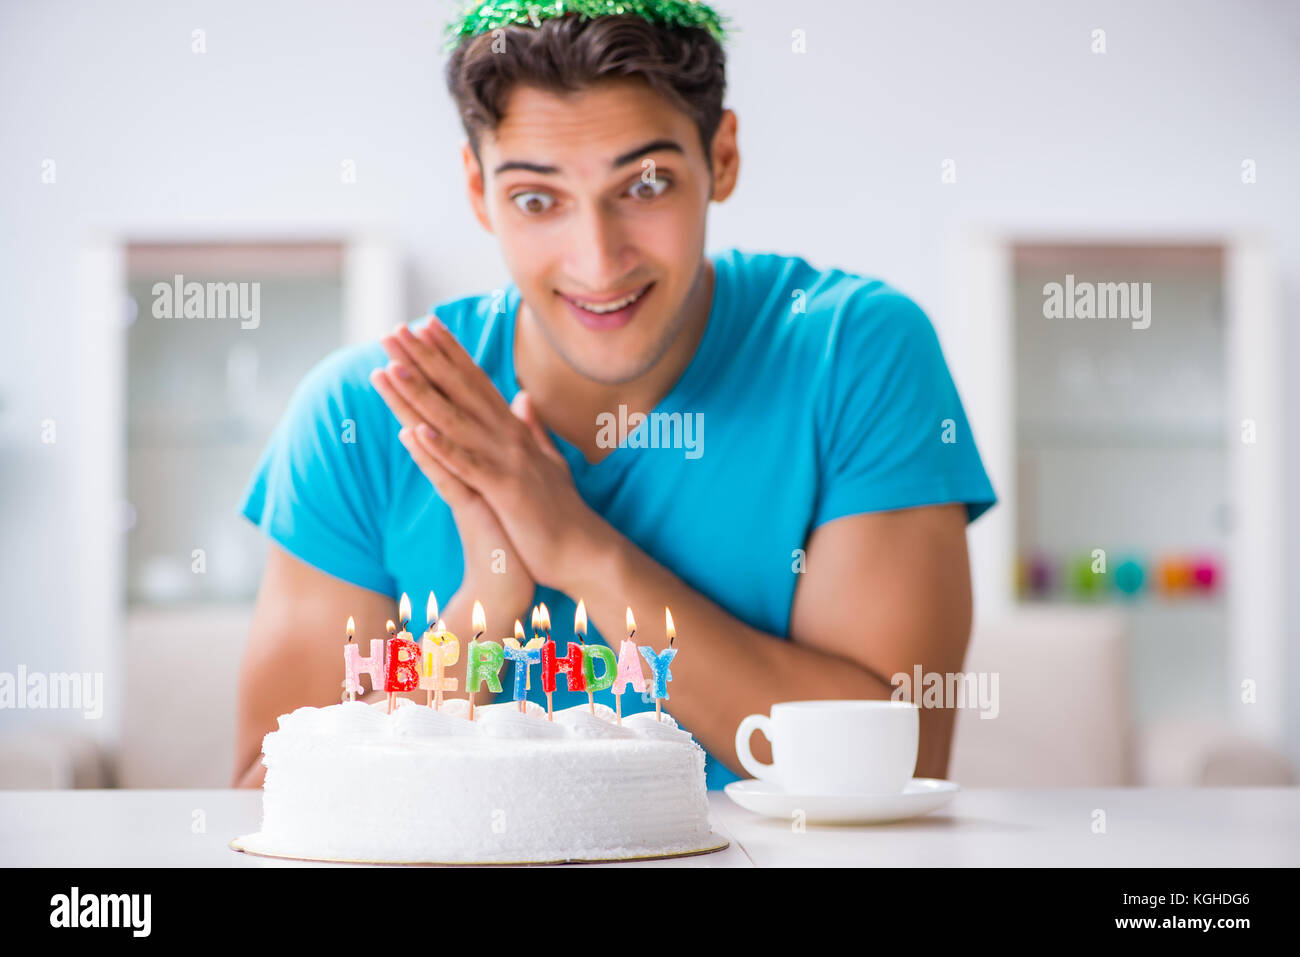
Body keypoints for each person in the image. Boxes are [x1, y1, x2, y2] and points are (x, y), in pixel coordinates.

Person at [232, 1, 996, 791]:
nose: (598, 261)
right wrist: (484, 605)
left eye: (647, 184)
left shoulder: (853, 354)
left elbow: (893, 769)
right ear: (478, 189)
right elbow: (263, 801)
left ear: (722, 158)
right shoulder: (358, 415)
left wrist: (581, 550)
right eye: (537, 198)